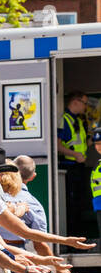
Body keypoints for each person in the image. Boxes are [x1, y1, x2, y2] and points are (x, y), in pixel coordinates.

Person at [58, 92, 94, 240]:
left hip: (80, 167)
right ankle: (72, 237)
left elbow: (83, 144)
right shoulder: (64, 119)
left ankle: (80, 237)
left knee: (81, 204)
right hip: (70, 167)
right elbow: (57, 145)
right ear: (75, 102)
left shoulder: (78, 121)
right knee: (72, 206)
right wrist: (75, 155)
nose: (86, 106)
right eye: (84, 103)